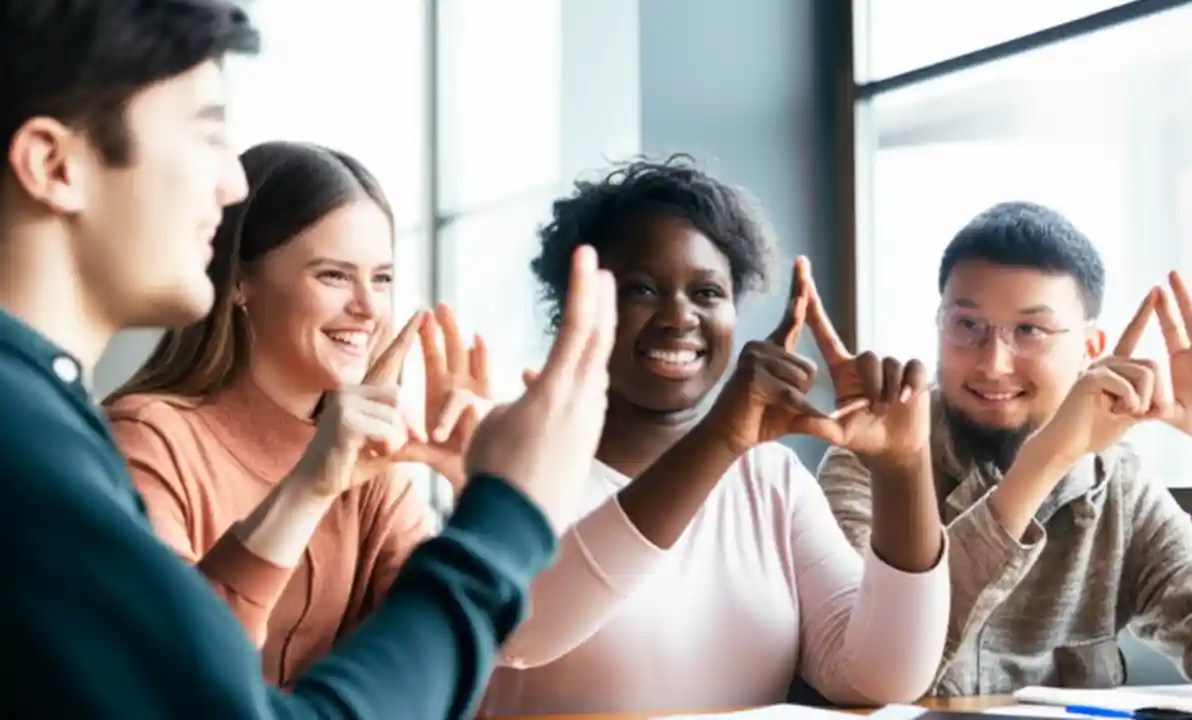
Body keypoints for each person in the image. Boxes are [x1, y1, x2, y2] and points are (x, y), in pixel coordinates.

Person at [0, 1, 617, 717]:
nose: (231, 187)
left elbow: (482, 655)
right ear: (53, 164)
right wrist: (509, 509)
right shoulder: (33, 442)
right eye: (206, 137)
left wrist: (476, 499)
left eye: (381, 277)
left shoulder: (44, 420)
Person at [478, 157, 950, 716]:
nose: (680, 317)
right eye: (643, 289)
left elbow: (881, 676)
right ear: (580, 307)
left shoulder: (770, 479)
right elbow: (524, 632)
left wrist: (903, 466)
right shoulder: (518, 455)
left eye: (706, 294)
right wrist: (720, 439)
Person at [819, 201, 1192, 695]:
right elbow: (870, 669)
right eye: (967, 325)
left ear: (1089, 347)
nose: (994, 363)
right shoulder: (870, 462)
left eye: (1029, 331)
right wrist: (1048, 458)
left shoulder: (1118, 485)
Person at [103, 140, 489, 684]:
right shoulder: (145, 439)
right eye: (333, 275)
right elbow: (176, 668)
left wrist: (477, 493)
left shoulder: (374, 465)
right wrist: (310, 485)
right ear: (240, 280)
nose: (368, 307)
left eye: (381, 278)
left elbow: (455, 656)